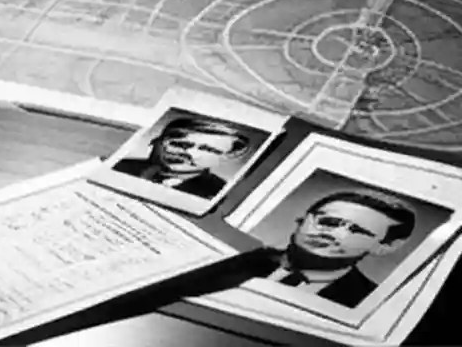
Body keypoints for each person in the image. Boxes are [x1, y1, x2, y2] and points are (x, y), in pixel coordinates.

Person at [260, 190, 416, 308]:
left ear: (384, 247)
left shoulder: (371, 305)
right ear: (302, 221)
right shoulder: (249, 255)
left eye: (357, 231)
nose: (333, 234)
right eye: (328, 222)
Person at [112, 116, 253, 199]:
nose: (190, 153)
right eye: (180, 144)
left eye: (208, 149)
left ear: (223, 158)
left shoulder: (217, 192)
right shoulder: (120, 166)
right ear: (158, 142)